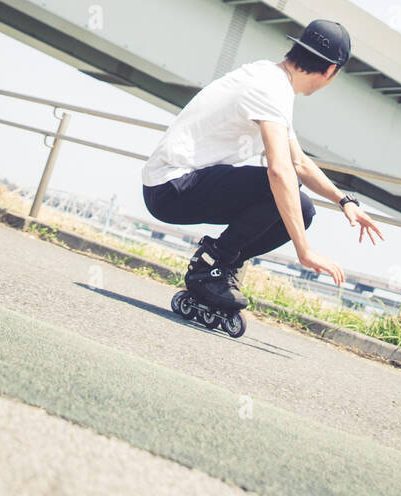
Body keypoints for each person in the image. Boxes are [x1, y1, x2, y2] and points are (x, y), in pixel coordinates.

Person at [142, 18, 384, 313]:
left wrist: (344, 201)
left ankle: (218, 267)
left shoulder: (271, 80)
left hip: (177, 187)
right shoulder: (271, 90)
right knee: (282, 187)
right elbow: (280, 171)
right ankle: (211, 267)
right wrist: (304, 250)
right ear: (331, 70)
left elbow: (299, 162)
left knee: (303, 209)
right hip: (170, 187)